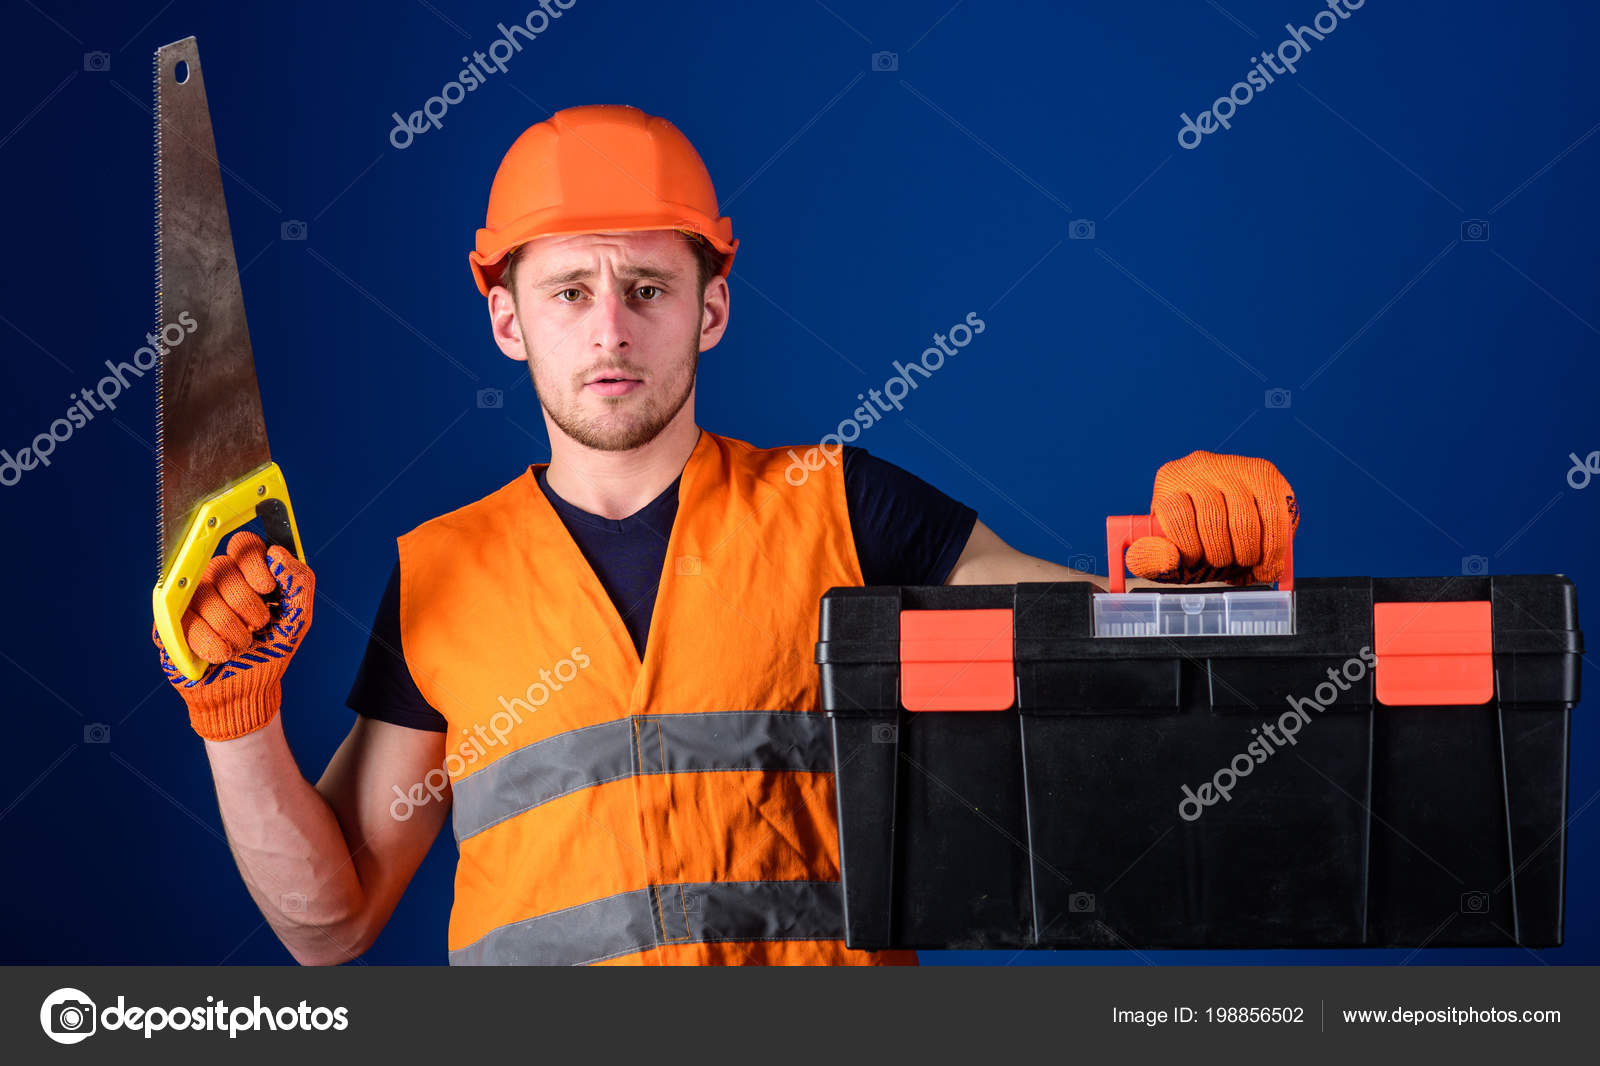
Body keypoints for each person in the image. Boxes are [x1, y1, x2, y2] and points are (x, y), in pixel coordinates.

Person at [154, 105, 1298, 966]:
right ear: (507, 319)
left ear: (712, 306)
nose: (610, 328)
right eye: (567, 292)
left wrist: (1203, 579)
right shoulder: (443, 572)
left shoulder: (840, 505)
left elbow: (1099, 648)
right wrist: (236, 715)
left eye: (647, 287)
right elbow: (331, 920)